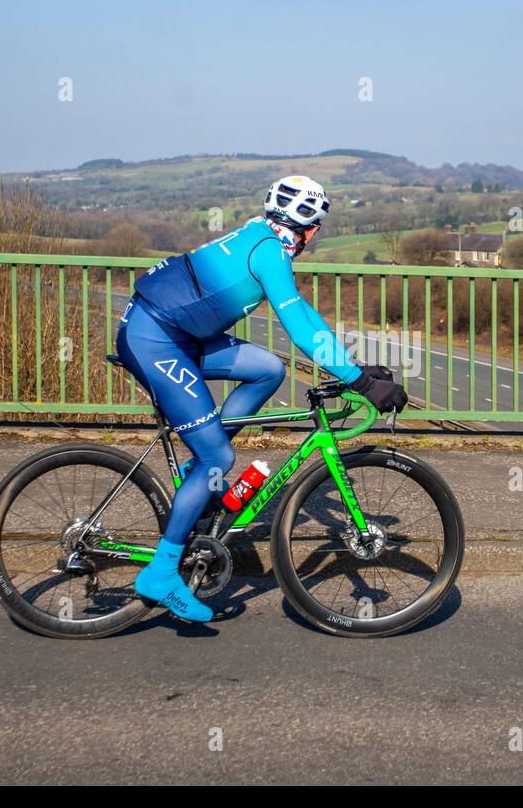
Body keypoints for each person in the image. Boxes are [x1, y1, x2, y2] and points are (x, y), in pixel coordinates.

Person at [115, 175, 408, 622]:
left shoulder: (263, 236)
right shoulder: (269, 251)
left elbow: (302, 311)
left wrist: (354, 367)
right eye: (317, 226)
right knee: (218, 457)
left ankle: (201, 478)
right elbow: (299, 328)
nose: (316, 235)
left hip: (179, 333)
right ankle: (162, 571)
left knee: (269, 368)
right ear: (305, 224)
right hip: (155, 338)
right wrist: (360, 383)